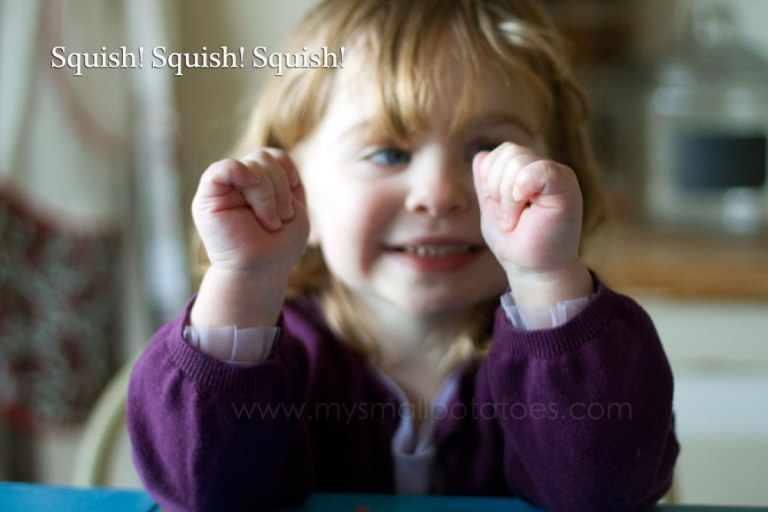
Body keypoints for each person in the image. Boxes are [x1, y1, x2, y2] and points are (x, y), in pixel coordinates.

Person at [127, 1, 679, 510]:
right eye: (389, 152)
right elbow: (200, 490)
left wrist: (547, 276)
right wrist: (245, 281)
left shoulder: (587, 352)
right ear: (292, 182)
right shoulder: (273, 350)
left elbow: (606, 490)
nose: (438, 193)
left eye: (486, 151)